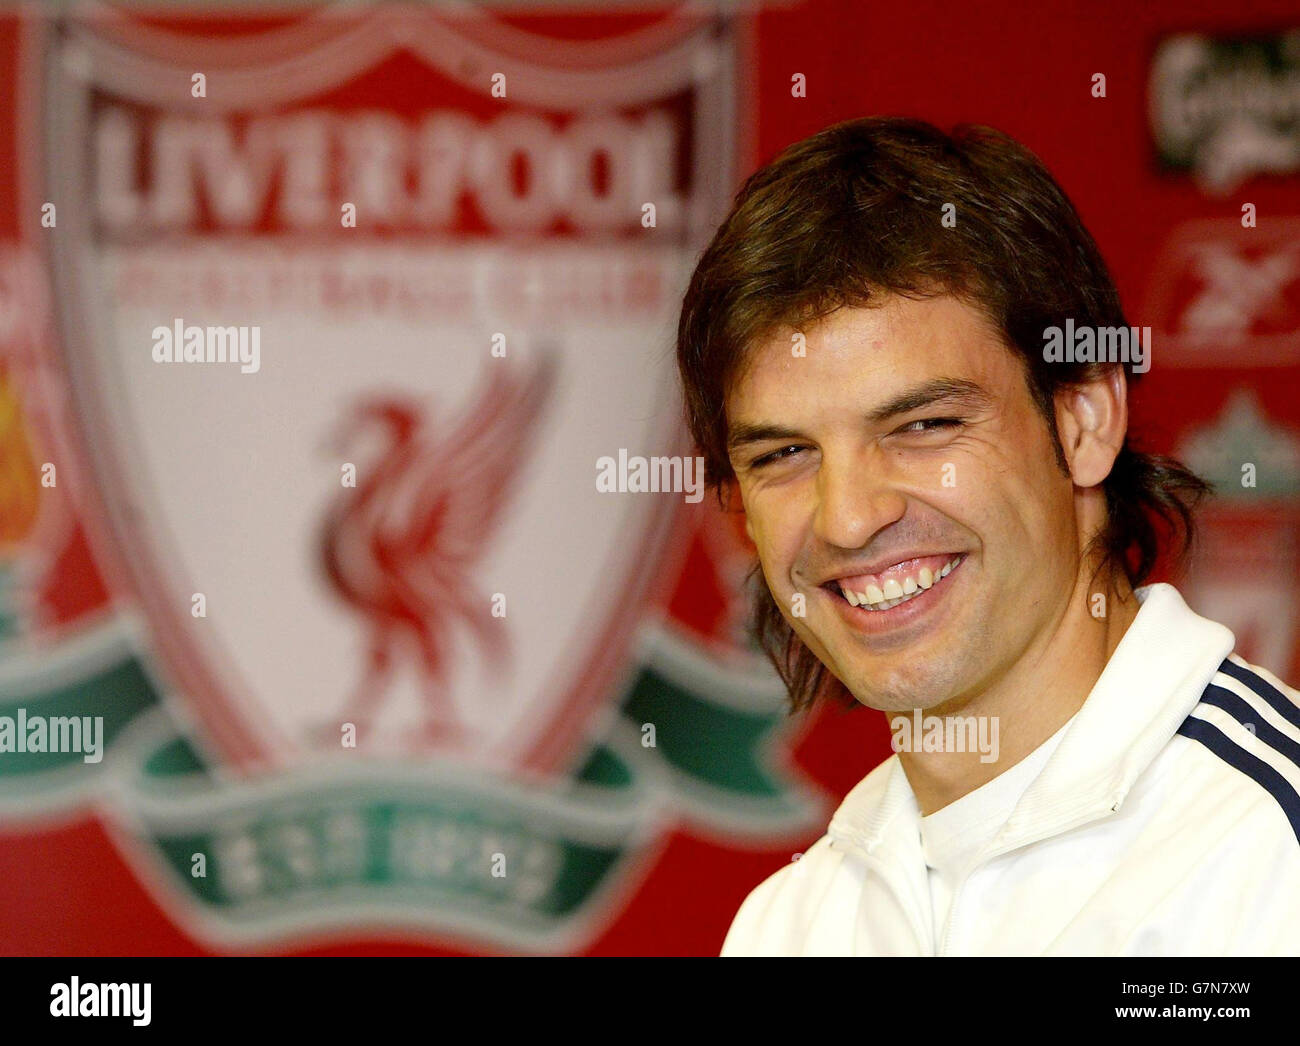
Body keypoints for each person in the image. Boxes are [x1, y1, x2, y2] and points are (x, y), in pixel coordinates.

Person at [675, 116, 1300, 956]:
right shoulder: (790, 925)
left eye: (924, 425)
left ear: (1084, 421)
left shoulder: (1270, 851)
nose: (849, 517)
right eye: (785, 453)